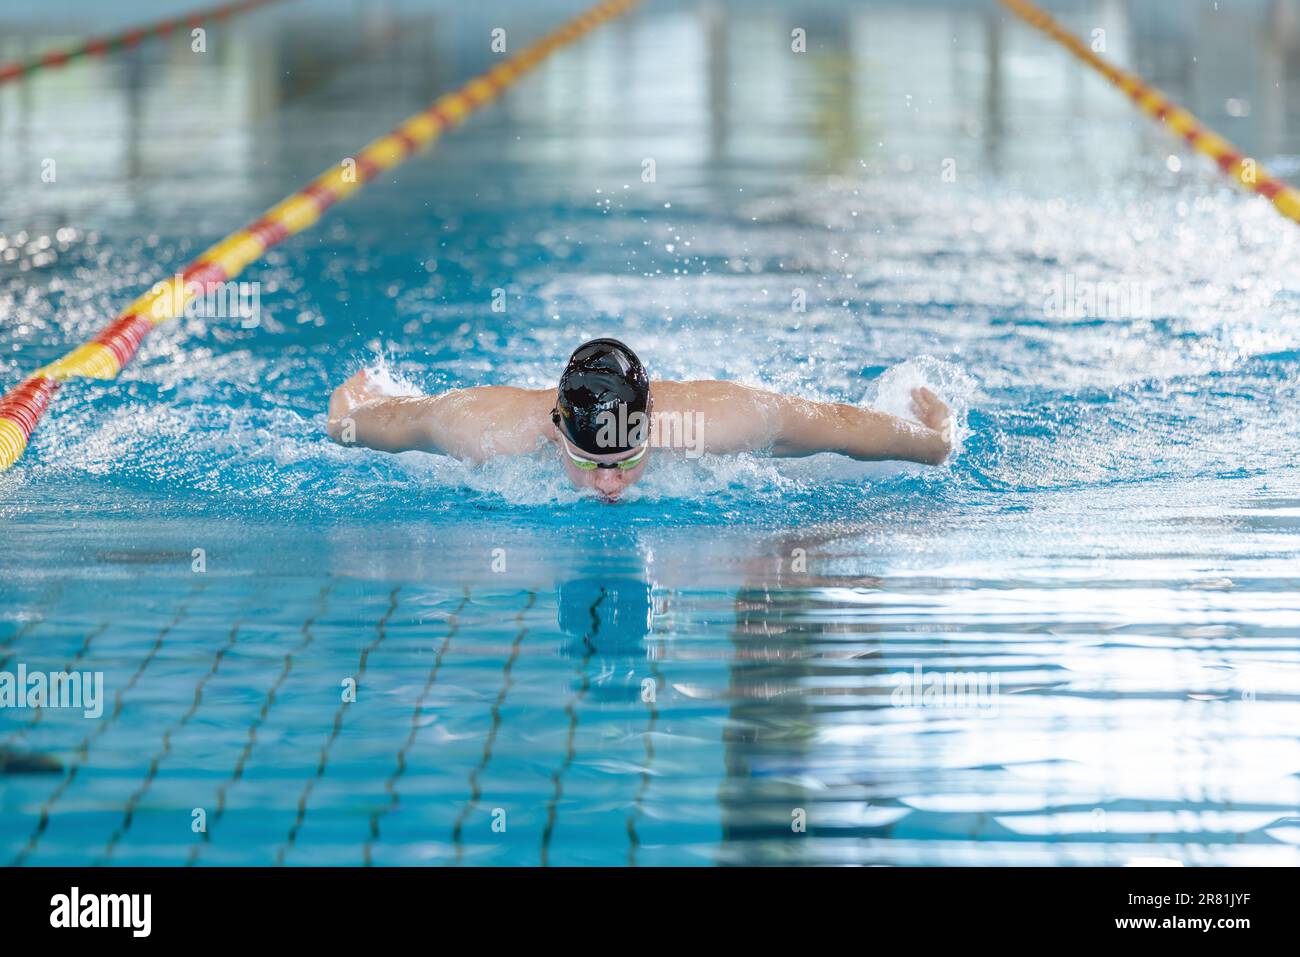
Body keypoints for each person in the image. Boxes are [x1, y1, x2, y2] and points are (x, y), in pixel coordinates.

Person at [327, 337, 954, 502]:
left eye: (626, 461)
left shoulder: (722, 422)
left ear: (651, 425)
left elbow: (842, 428)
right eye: (591, 463)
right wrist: (349, 411)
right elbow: (376, 423)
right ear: (557, 428)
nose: (609, 483)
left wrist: (932, 441)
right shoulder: (486, 431)